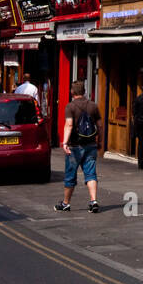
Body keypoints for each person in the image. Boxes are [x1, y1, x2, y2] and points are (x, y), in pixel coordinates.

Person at [54, 79, 102, 214]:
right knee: (91, 173)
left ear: (72, 92)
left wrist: (64, 142)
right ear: (84, 92)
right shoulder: (93, 106)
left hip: (75, 146)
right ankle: (94, 201)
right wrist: (100, 142)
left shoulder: (70, 106)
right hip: (91, 144)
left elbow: (69, 125)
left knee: (70, 175)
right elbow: (100, 126)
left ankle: (66, 203)